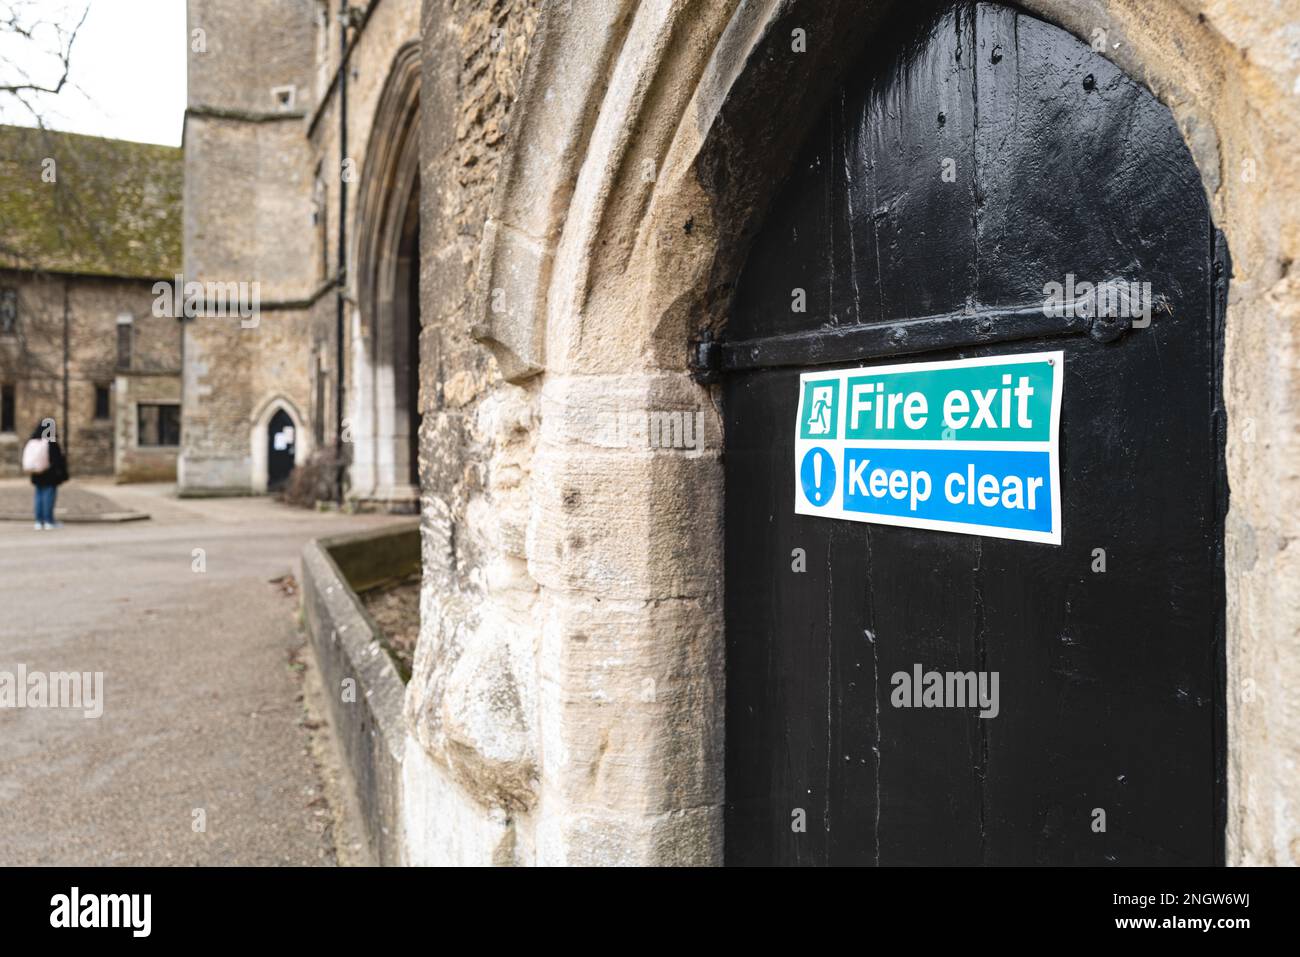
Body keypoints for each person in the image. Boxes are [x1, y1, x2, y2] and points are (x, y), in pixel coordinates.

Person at [26, 419, 68, 530]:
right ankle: (48, 520)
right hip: (50, 475)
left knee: (39, 497)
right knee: (48, 497)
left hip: (37, 473)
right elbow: (57, 460)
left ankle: (39, 521)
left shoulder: (34, 441)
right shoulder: (51, 443)